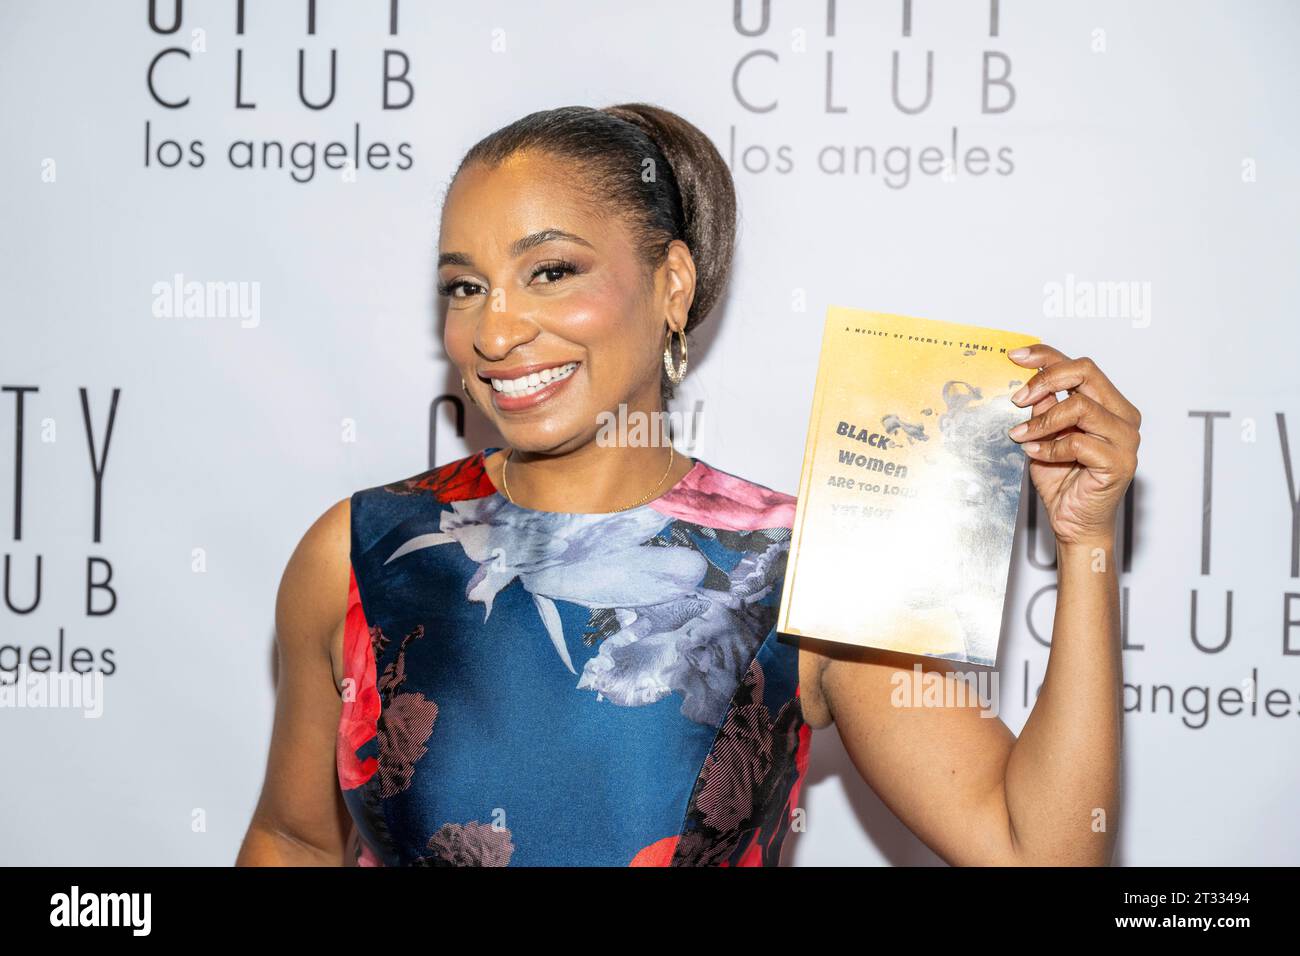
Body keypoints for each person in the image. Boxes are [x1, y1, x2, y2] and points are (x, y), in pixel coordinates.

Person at [236, 103, 1141, 867]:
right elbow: (293, 837)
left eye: (550, 272)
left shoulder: (799, 571)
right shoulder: (360, 551)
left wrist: (1088, 545)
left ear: (672, 284)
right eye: (465, 286)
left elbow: (1036, 848)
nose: (495, 329)